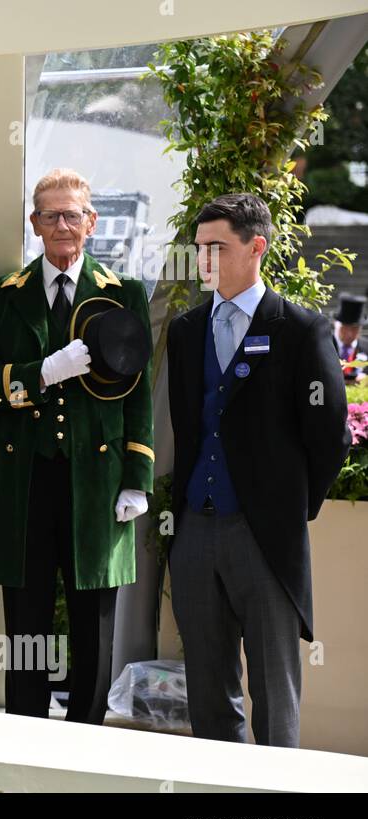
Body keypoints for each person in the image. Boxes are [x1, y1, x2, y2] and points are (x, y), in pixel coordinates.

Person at [0, 168, 153, 724]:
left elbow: (138, 394)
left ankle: (88, 740)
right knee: (26, 620)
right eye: (50, 215)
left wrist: (137, 480)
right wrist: (42, 372)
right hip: (24, 477)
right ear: (34, 223)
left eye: (72, 214)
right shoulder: (1, 296)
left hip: (95, 483)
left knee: (93, 619)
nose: (62, 225)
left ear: (91, 221)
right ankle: (26, 733)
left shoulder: (125, 295)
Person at [167, 193, 350, 748]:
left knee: (275, 689)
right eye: (200, 249)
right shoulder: (185, 330)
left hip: (265, 534)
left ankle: (276, 809)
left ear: (257, 248)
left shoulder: (300, 329)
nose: (204, 260)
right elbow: (188, 426)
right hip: (195, 530)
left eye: (217, 247)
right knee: (207, 687)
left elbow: (330, 435)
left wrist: (289, 508)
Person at [332, 292, 366, 383]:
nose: (349, 334)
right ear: (336, 324)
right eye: (345, 327)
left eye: (355, 329)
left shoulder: (367, 347)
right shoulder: (326, 344)